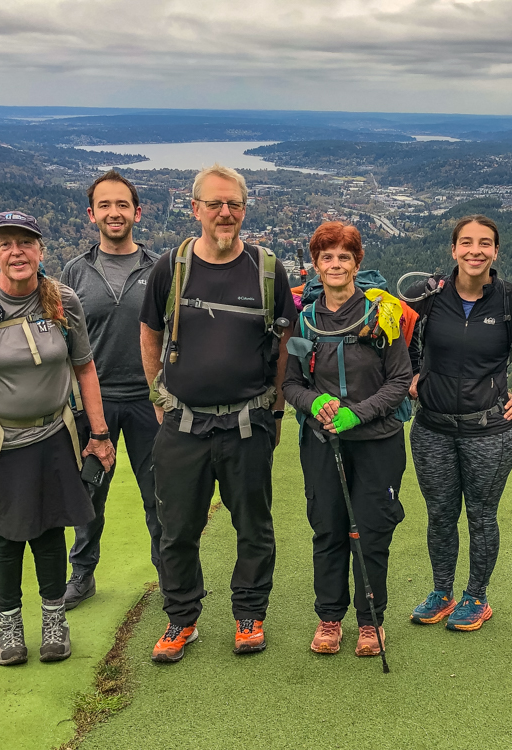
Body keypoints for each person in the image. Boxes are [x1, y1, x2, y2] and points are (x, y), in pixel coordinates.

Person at [0, 211, 115, 666]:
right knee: (5, 536)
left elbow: (84, 368)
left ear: (40, 251)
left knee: (51, 529)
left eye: (26, 243)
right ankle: (8, 623)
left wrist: (100, 434)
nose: (17, 252)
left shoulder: (61, 302)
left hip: (53, 435)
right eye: (7, 244)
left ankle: (55, 618)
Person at [140, 164, 297, 663]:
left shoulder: (268, 270)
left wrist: (275, 411)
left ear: (244, 209)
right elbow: (150, 333)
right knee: (177, 527)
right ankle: (181, 619)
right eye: (215, 204)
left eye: (234, 204)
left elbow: (285, 342)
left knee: (253, 525)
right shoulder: (171, 266)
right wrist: (158, 395)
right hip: (183, 424)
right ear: (196, 209)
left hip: (247, 422)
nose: (225, 213)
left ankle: (249, 615)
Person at [407, 214, 512, 631]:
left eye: (484, 243)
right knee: (439, 514)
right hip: (431, 427)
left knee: (482, 515)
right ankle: (442, 592)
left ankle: (477, 597)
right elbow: (398, 336)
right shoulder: (426, 295)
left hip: (490, 430)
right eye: (466, 242)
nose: (475, 250)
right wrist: (412, 371)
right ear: (453, 250)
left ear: (496, 251)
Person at [283, 222, 412, 658]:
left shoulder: (382, 314)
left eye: (344, 256)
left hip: (378, 441)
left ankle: (371, 622)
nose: (335, 264)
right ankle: (330, 618)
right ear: (316, 265)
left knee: (372, 532)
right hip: (323, 443)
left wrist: (357, 413)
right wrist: (314, 403)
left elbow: (400, 380)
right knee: (328, 530)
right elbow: (292, 383)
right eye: (327, 257)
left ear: (358, 262)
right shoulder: (305, 317)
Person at [59, 170, 162, 609]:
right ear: (91, 214)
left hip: (148, 403)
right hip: (93, 406)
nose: (114, 212)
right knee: (89, 496)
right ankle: (82, 575)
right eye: (105, 205)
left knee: (160, 498)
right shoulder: (73, 273)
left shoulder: (159, 269)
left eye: (122, 204)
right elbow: (61, 343)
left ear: (137, 212)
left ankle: (171, 575)